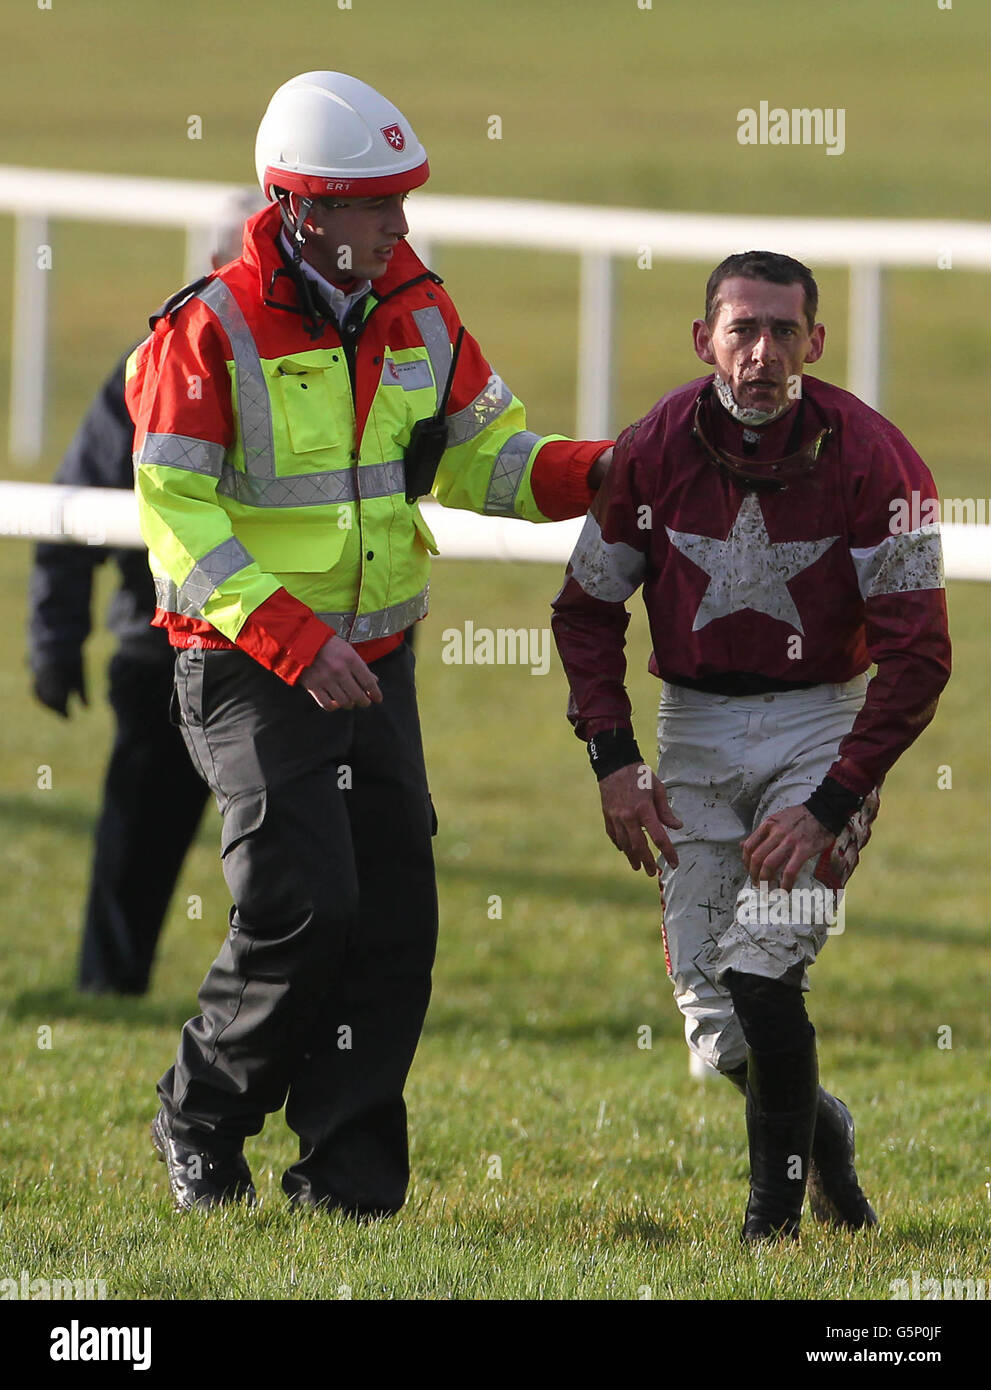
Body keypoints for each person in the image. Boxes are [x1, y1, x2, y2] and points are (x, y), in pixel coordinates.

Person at [127, 71, 613, 1214]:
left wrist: (611, 472)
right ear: (302, 207)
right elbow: (173, 520)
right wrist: (295, 639)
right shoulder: (205, 330)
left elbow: (485, 458)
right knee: (305, 902)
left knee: (394, 916)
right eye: (375, 205)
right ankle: (201, 1115)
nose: (401, 224)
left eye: (403, 201)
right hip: (246, 667)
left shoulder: (422, 307)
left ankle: (346, 1181)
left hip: (375, 664)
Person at [551, 250, 951, 1242]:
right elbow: (583, 612)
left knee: (767, 965)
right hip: (691, 722)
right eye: (742, 328)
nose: (762, 353)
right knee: (712, 1013)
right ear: (704, 340)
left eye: (783, 331)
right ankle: (823, 1134)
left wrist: (831, 800)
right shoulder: (651, 451)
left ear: (815, 342)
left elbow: (920, 657)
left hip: (821, 720)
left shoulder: (874, 457)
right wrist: (614, 760)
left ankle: (768, 1225)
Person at [27, 196, 261, 997]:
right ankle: (108, 989)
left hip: (283, 653)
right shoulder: (151, 364)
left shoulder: (328, 366)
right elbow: (68, 511)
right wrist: (54, 644)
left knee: (288, 850)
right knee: (139, 838)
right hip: (161, 649)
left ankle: (283, 1003)